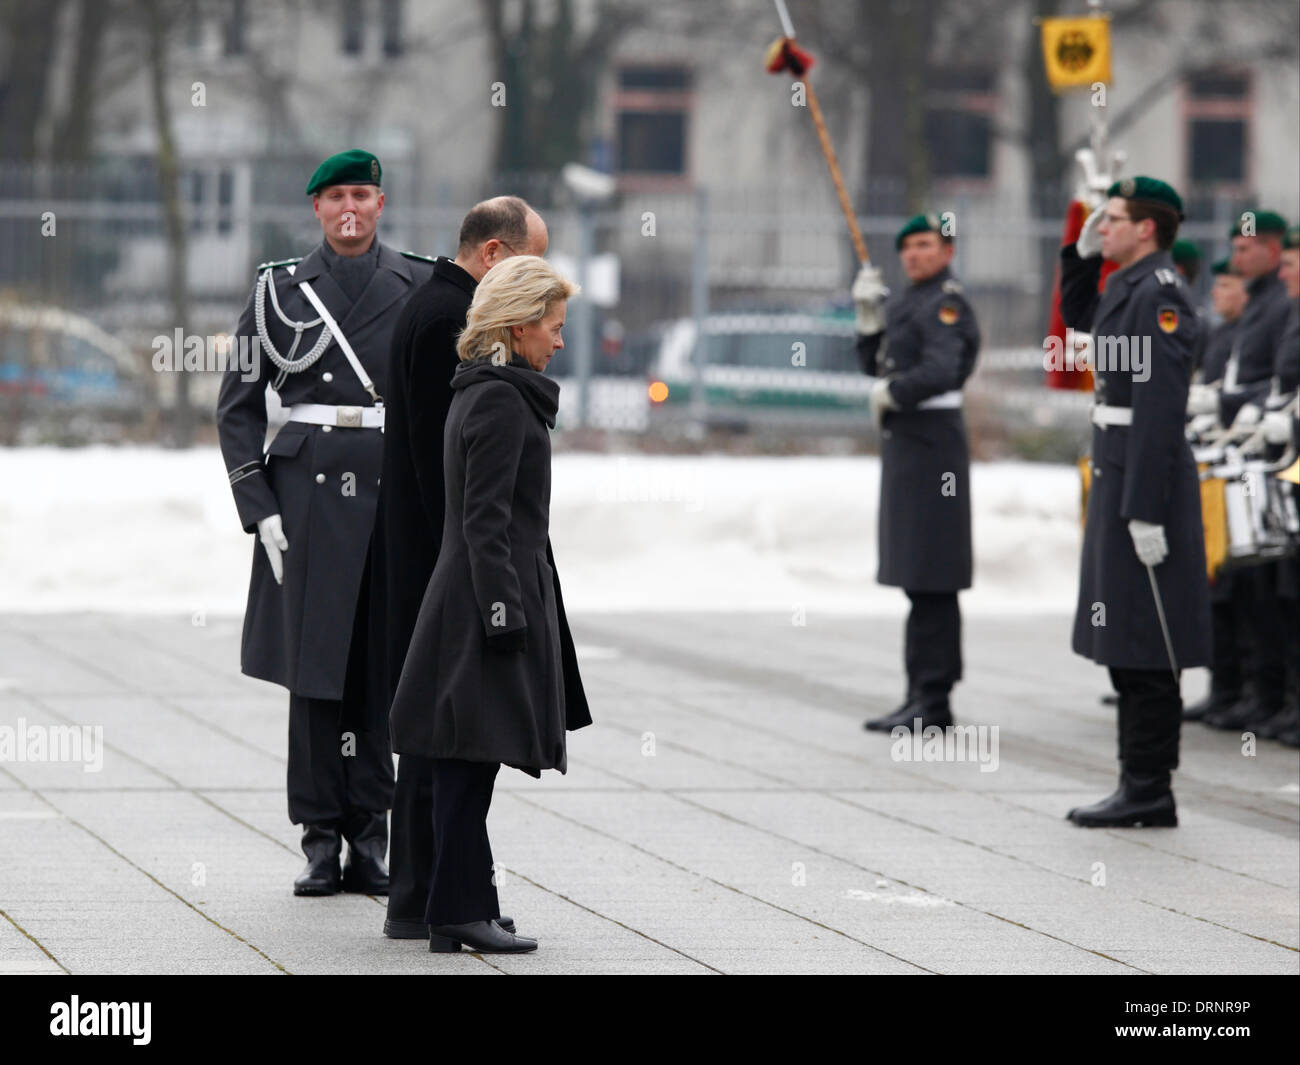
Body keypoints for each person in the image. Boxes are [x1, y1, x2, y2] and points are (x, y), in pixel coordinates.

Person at [216, 149, 434, 894]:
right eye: (337, 194)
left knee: (377, 669)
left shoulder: (419, 283)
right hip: (305, 499)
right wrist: (259, 507)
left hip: (386, 490)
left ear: (381, 204)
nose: (350, 207)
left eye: (363, 194)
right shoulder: (278, 290)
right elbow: (238, 405)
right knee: (315, 674)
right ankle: (317, 835)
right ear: (316, 207)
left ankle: (370, 833)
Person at [388, 255, 592, 954]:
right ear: (519, 323)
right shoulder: (503, 399)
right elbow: (485, 522)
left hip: (472, 599)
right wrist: (506, 612)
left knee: (467, 762)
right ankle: (456, 909)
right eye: (554, 326)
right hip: (482, 605)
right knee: (467, 763)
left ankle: (466, 903)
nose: (559, 341)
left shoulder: (484, 390)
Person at [368, 196, 550, 941]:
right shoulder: (454, 324)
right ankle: (439, 898)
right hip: (449, 569)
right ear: (498, 259)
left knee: (446, 744)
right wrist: (488, 586)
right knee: (456, 746)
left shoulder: (431, 303)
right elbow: (473, 493)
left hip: (441, 562)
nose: (558, 337)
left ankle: (435, 894)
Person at [1059, 176, 1209, 828]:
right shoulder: (1128, 286)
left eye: (1113, 219)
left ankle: (1150, 788)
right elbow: (1077, 320)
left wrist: (1145, 505)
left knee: (1148, 639)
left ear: (1147, 228)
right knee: (1124, 633)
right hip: (1121, 469)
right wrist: (1082, 254)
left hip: (1147, 478)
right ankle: (1136, 782)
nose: (1104, 224)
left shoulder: (1161, 298)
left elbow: (1158, 409)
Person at [853, 214, 980, 733]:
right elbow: (877, 363)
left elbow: (942, 369)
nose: (913, 254)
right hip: (909, 447)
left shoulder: (947, 304)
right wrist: (867, 320)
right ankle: (918, 694)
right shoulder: (910, 302)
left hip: (933, 449)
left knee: (933, 579)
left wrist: (896, 392)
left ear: (947, 250)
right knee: (917, 579)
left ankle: (934, 698)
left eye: (925, 245)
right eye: (906, 247)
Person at [1196, 210, 1291, 734]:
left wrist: (1241, 406)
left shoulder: (1280, 304)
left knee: (1271, 580)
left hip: (1277, 456)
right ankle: (1246, 689)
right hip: (1247, 452)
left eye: (1246, 250)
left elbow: (1279, 381)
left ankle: (1277, 695)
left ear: (1274, 252)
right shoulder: (1266, 302)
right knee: (1240, 578)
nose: (1237, 257)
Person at [1182, 259, 1251, 725]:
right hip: (1228, 456)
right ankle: (1226, 685)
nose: (1219, 294)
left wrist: (1228, 404)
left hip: (1267, 459)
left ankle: (1265, 692)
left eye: (1227, 285)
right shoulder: (1222, 332)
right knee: (1221, 583)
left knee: (1263, 588)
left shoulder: (1270, 319)